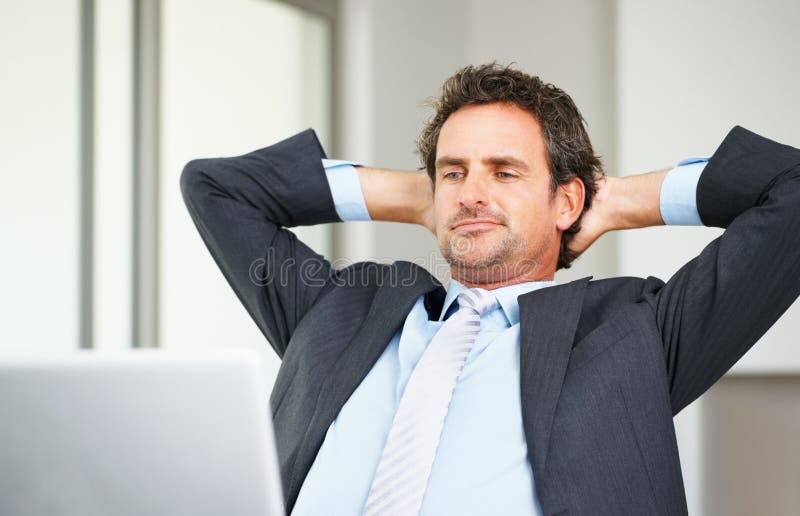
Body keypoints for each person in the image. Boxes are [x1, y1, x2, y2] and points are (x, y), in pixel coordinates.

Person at [180, 63, 800, 515]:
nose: (472, 192)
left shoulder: (637, 332)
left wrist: (616, 200)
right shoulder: (338, 311)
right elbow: (216, 188)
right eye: (455, 172)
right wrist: (419, 195)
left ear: (565, 199)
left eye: (504, 172)